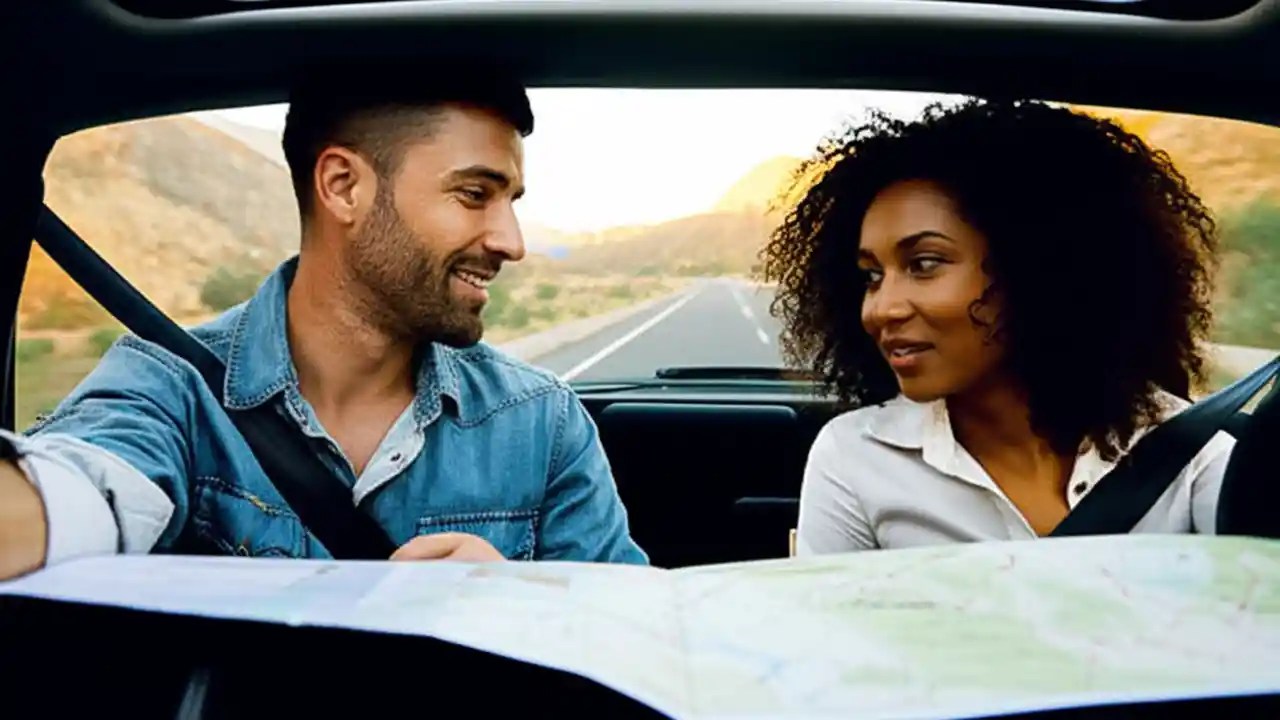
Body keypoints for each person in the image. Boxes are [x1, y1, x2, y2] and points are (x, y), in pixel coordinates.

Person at [0, 64, 647, 580]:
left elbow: (632, 646)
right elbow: (81, 485)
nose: (510, 240)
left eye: (511, 201)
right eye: (475, 195)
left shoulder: (541, 422)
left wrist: (518, 610)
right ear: (342, 186)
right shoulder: (171, 390)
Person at [758, 98, 1234, 554]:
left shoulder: (1190, 453)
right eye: (872, 277)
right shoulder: (855, 457)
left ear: (1036, 268)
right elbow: (834, 636)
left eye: (924, 263)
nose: (880, 309)